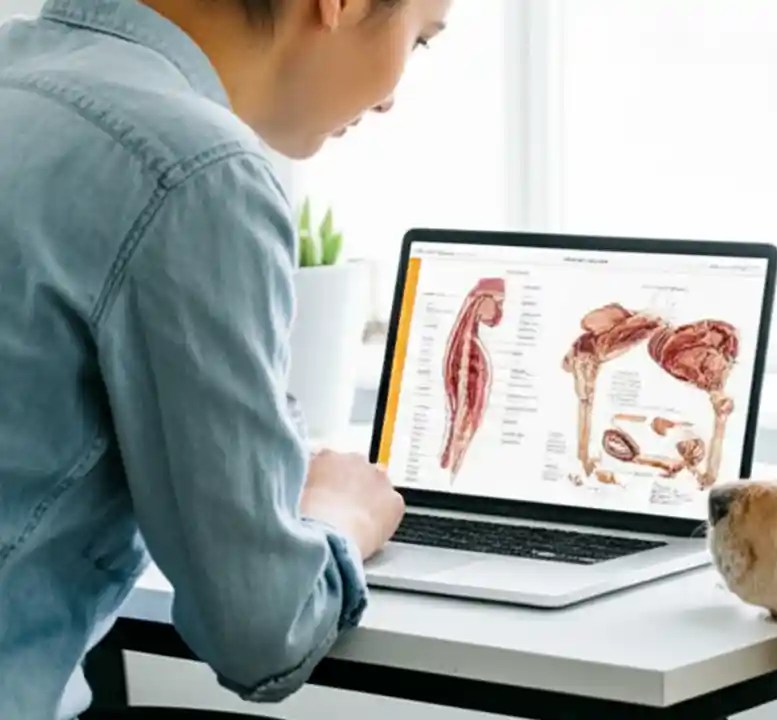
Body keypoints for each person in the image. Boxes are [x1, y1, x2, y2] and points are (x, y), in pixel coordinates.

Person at [0, 0, 450, 716]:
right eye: (419, 40)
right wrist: (340, 513)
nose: (392, 98)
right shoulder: (192, 167)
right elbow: (264, 631)